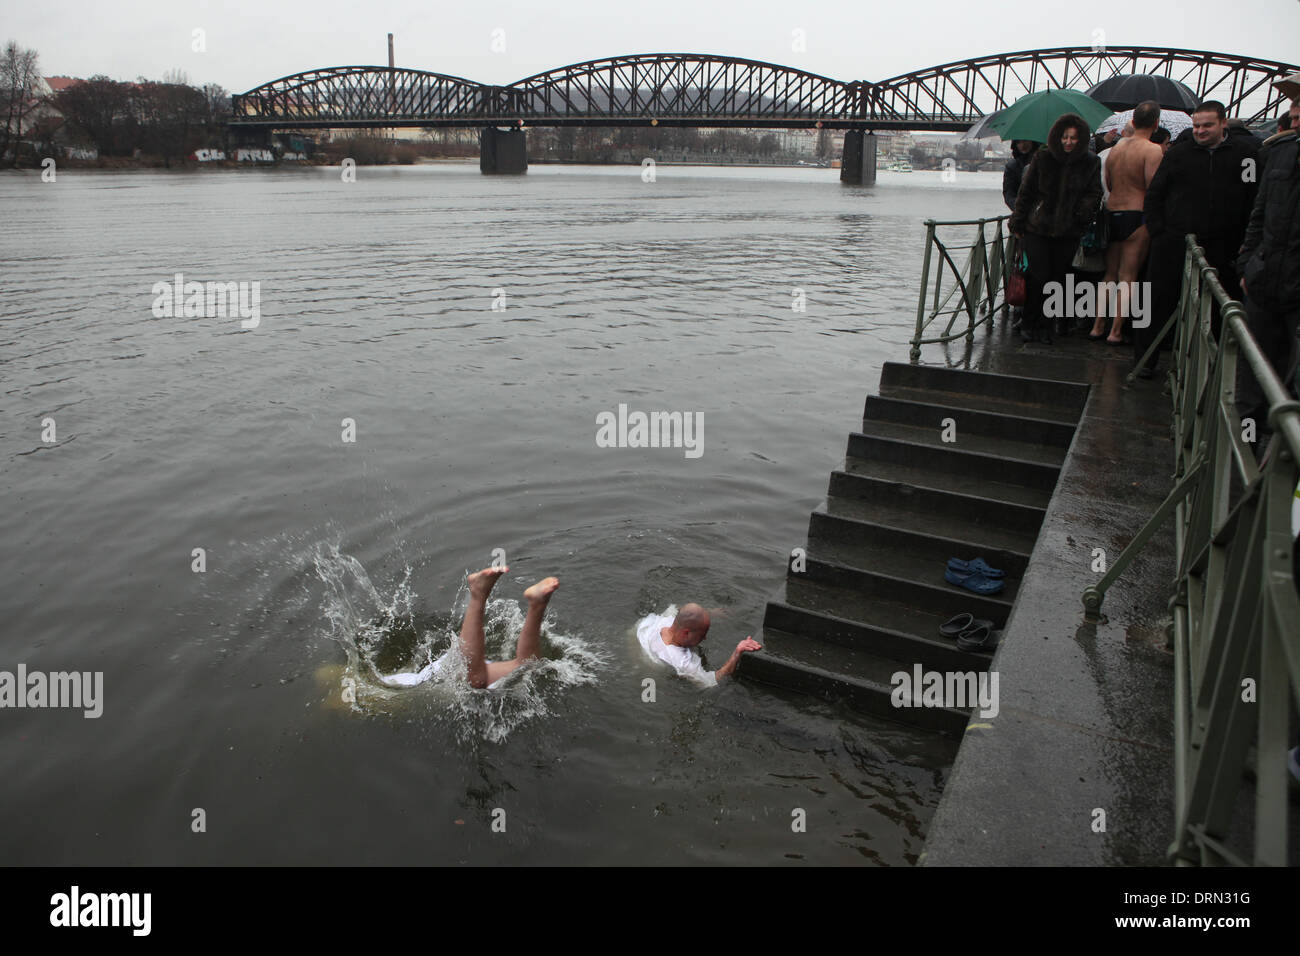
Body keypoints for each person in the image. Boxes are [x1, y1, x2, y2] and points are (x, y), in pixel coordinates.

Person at [1139, 101, 1259, 376]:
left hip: (1224, 244)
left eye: (1207, 126)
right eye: (1196, 126)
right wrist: (1159, 233)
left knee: (1219, 307)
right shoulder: (1178, 154)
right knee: (1157, 301)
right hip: (1174, 241)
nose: (1200, 131)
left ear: (1223, 124)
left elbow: (1254, 199)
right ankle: (1145, 359)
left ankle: (1209, 368)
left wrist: (1245, 241)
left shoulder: (1247, 155)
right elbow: (1156, 194)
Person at [380, 566, 558, 690]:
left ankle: (478, 594)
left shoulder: (374, 693)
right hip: (446, 675)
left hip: (429, 680)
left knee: (475, 681)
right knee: (528, 667)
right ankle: (537, 604)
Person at [1009, 113, 1103, 344]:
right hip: (1037, 227)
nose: (1068, 142)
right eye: (1064, 137)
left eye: (1073, 138)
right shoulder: (1043, 158)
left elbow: (1094, 192)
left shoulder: (1091, 161)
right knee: (1037, 277)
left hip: (1068, 231)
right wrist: (1018, 222)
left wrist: (1081, 215)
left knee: (1057, 279)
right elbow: (1026, 192)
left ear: (1080, 140)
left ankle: (1046, 326)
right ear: (1057, 138)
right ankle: (1029, 323)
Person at [1235, 115, 1300, 447]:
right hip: (1264, 280)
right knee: (1253, 371)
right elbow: (1258, 213)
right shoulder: (1279, 153)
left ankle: (1282, 459)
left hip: (1291, 286)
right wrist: (1248, 264)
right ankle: (1247, 442)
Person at [1091, 102, 1164, 344]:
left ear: (1133, 120)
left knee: (1109, 275)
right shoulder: (1152, 150)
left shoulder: (1116, 150)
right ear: (1155, 123)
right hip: (1137, 216)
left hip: (1113, 214)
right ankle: (1116, 332)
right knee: (1128, 277)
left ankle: (1097, 326)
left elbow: (1109, 184)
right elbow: (1152, 187)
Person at [635, 603, 762, 687]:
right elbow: (713, 681)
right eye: (702, 635)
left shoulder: (664, 619)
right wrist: (737, 652)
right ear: (686, 633)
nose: (705, 638)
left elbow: (680, 610)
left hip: (639, 631)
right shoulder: (682, 662)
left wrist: (710, 613)